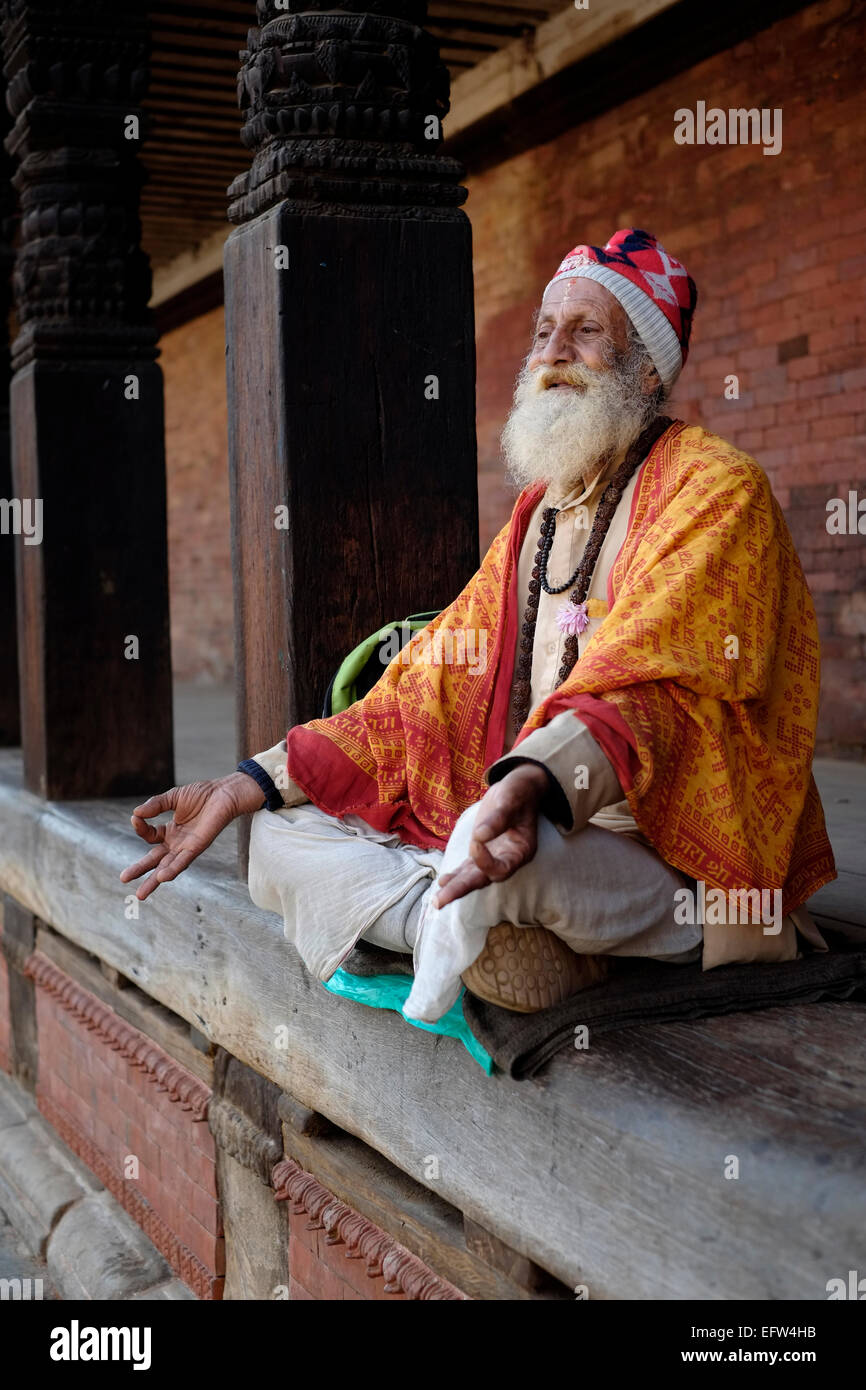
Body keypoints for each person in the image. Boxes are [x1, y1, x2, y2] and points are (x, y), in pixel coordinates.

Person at [121, 228, 835, 1024]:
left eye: (588, 331)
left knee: (501, 863)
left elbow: (654, 688)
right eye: (543, 332)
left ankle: (462, 924)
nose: (553, 351)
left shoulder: (717, 488)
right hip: (519, 815)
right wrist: (252, 779)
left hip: (667, 855)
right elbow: (427, 680)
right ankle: (467, 928)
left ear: (648, 367)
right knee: (279, 837)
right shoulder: (538, 513)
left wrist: (531, 784)